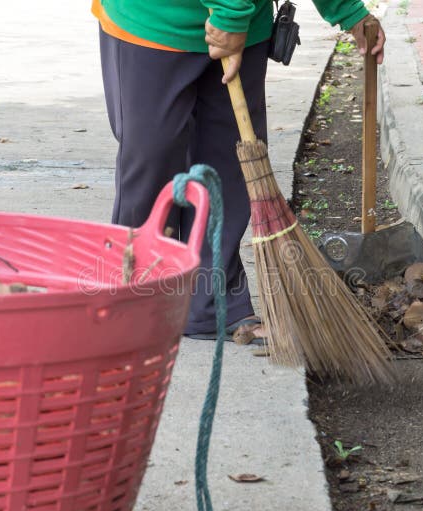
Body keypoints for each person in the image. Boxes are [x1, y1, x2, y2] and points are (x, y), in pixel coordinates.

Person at [92, 0, 385, 345]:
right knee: (153, 158)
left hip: (246, 25)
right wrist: (230, 12)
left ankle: (211, 302)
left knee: (229, 166)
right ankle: (137, 292)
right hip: (154, 20)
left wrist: (346, 10)